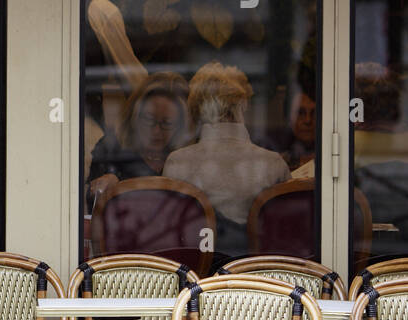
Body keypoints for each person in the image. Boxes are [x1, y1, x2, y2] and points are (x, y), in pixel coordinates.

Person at [162, 62, 290, 257]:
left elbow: (169, 232)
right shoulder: (273, 164)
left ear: (196, 108)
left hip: (198, 276)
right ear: (242, 104)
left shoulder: (176, 163)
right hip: (258, 279)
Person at [87, 71, 189, 199]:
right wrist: (108, 185)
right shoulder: (111, 149)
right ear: (135, 116)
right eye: (149, 120)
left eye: (167, 123)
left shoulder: (187, 160)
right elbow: (85, 205)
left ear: (180, 126)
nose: (156, 131)